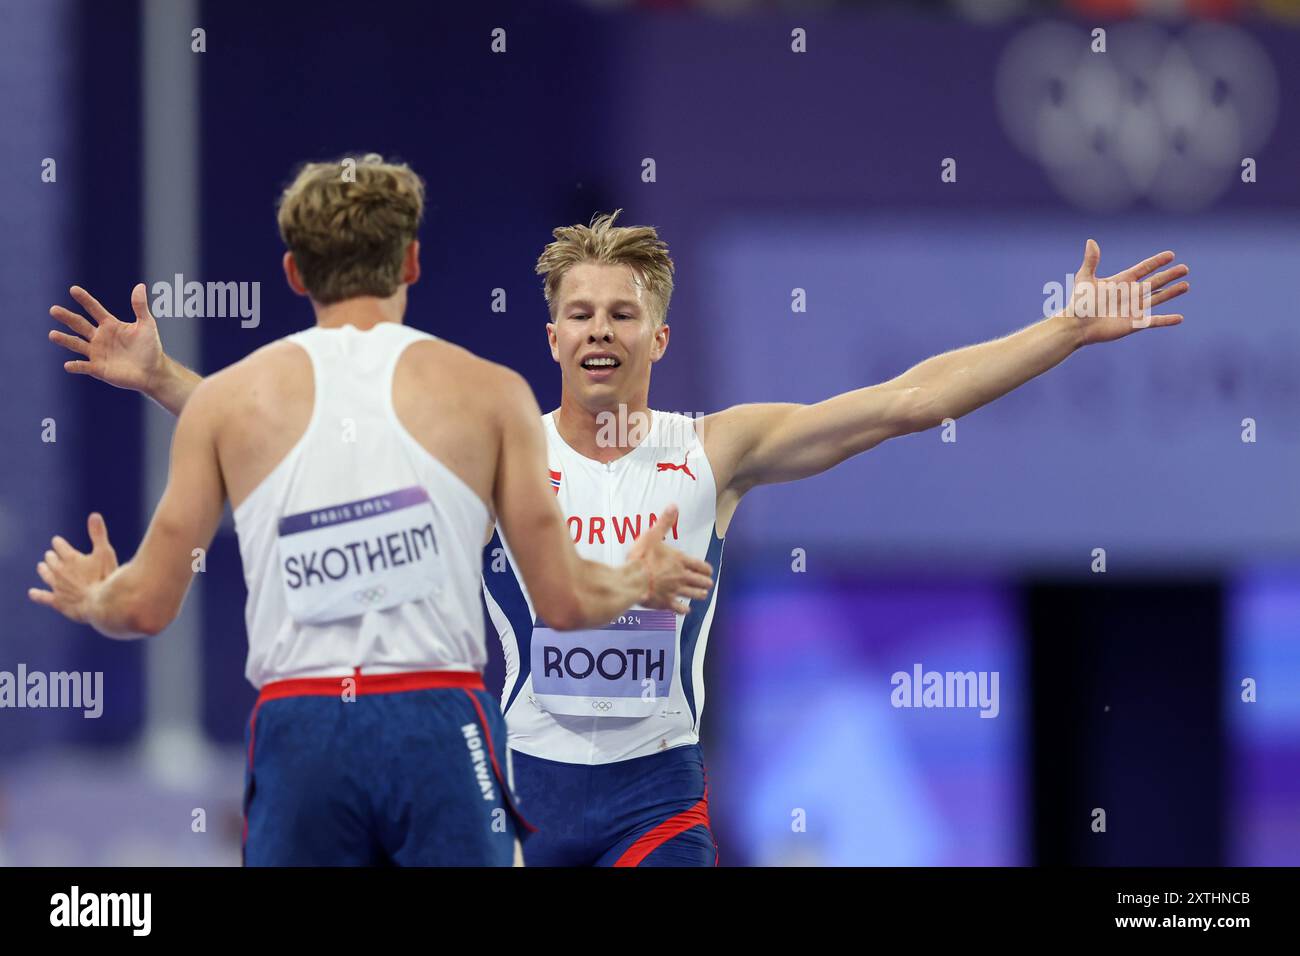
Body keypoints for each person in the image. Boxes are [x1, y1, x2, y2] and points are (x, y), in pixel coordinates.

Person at [48, 205, 1189, 866]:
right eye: (581, 313)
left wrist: (1062, 331)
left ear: (657, 333)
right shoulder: (495, 448)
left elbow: (905, 400)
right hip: (523, 797)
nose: (600, 330)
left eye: (621, 314)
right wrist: (167, 382)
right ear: (552, 333)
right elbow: (298, 436)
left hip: (659, 800)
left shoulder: (715, 450)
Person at [30, 159, 713, 867]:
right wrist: (639, 578)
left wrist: (93, 596)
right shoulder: (486, 394)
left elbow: (142, 610)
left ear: (295, 272)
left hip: (302, 732)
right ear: (412, 262)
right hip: (438, 725)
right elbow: (566, 603)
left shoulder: (229, 403)